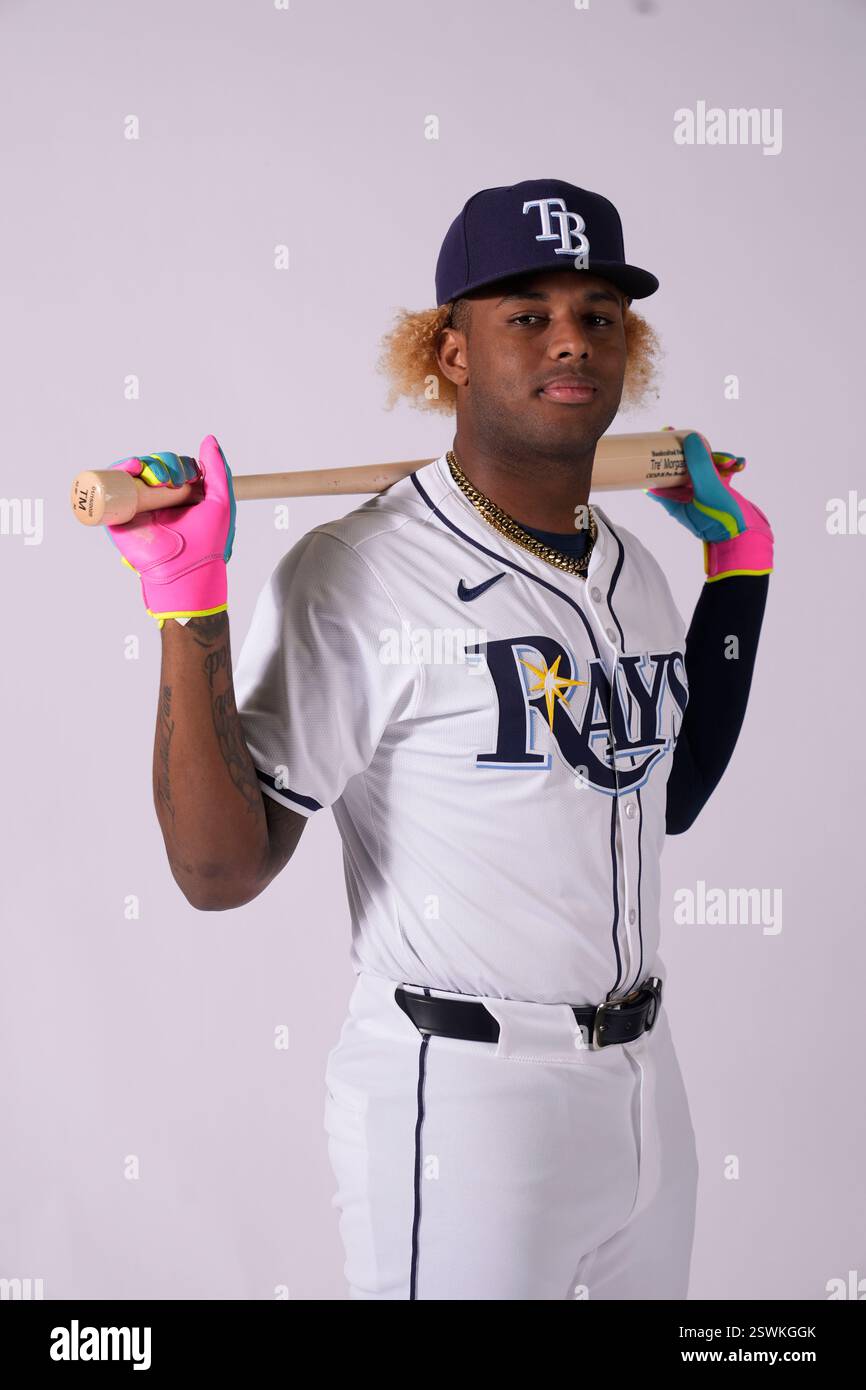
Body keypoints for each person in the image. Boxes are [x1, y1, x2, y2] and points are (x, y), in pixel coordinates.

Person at [104, 179, 773, 1300]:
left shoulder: (632, 569)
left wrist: (737, 581)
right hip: (464, 1100)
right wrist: (188, 597)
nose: (571, 338)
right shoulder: (361, 570)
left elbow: (667, 796)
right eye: (526, 313)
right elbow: (217, 870)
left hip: (647, 1091)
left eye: (597, 313)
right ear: (450, 352)